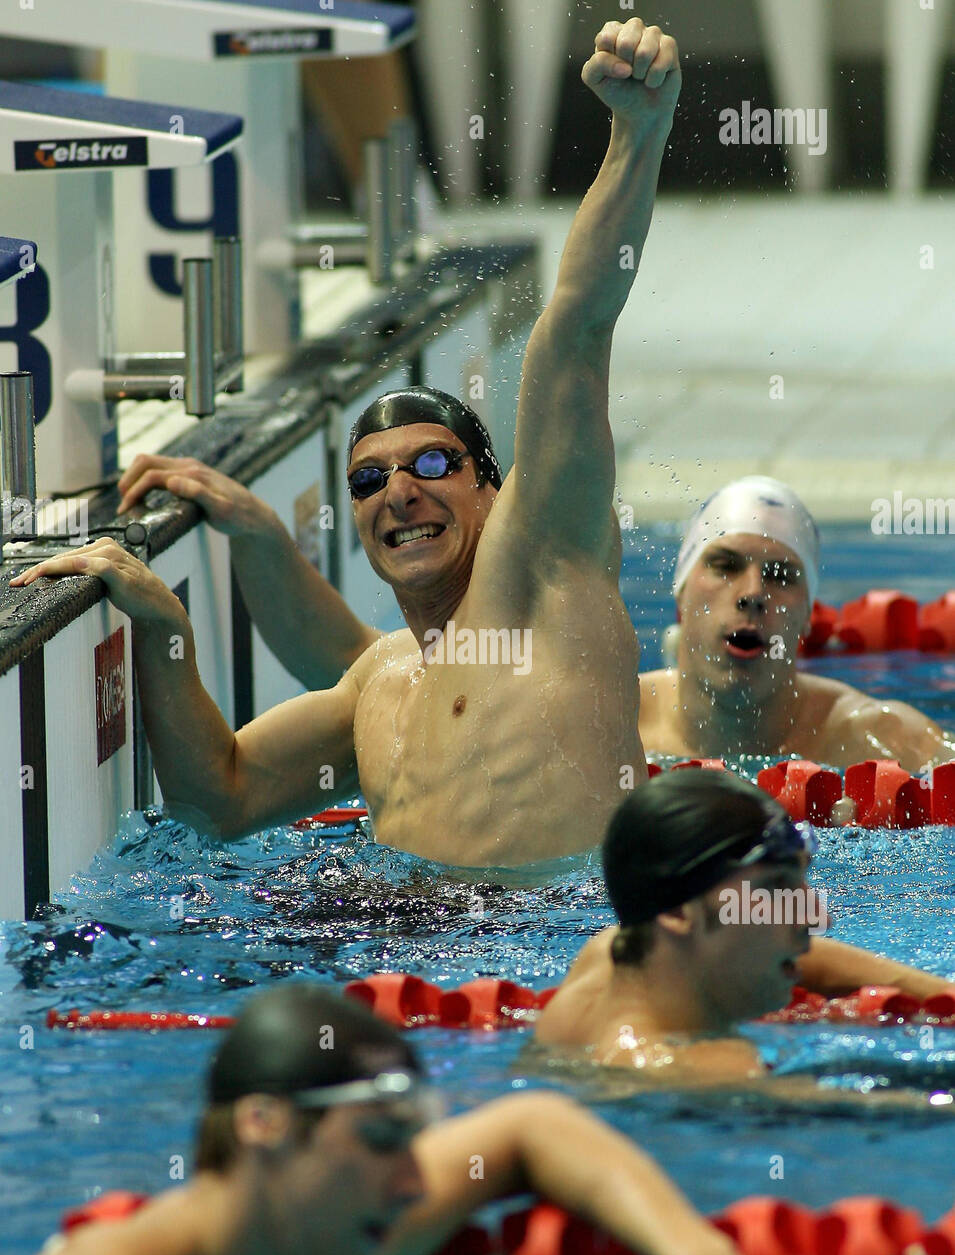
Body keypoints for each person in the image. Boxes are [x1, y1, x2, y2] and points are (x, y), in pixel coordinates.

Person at [13, 16, 680, 871]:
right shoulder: (377, 686)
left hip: (544, 971)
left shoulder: (546, 577)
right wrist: (162, 620)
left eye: (434, 464)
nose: (400, 492)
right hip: (406, 968)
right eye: (369, 480)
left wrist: (636, 131)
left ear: (497, 489)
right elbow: (217, 799)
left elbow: (575, 327)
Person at [8, 984, 750, 1255]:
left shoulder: (323, 1222)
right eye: (382, 1140)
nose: (415, 1184)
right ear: (264, 1126)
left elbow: (534, 1124)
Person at [536, 768, 955, 1083]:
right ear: (680, 912)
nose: (817, 916)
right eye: (775, 887)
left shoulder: (612, 958)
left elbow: (792, 952)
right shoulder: (702, 1070)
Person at [638, 477, 952, 769]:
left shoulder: (885, 741)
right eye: (726, 566)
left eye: (780, 576)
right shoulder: (613, 722)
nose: (753, 594)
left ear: (807, 616)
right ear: (681, 593)